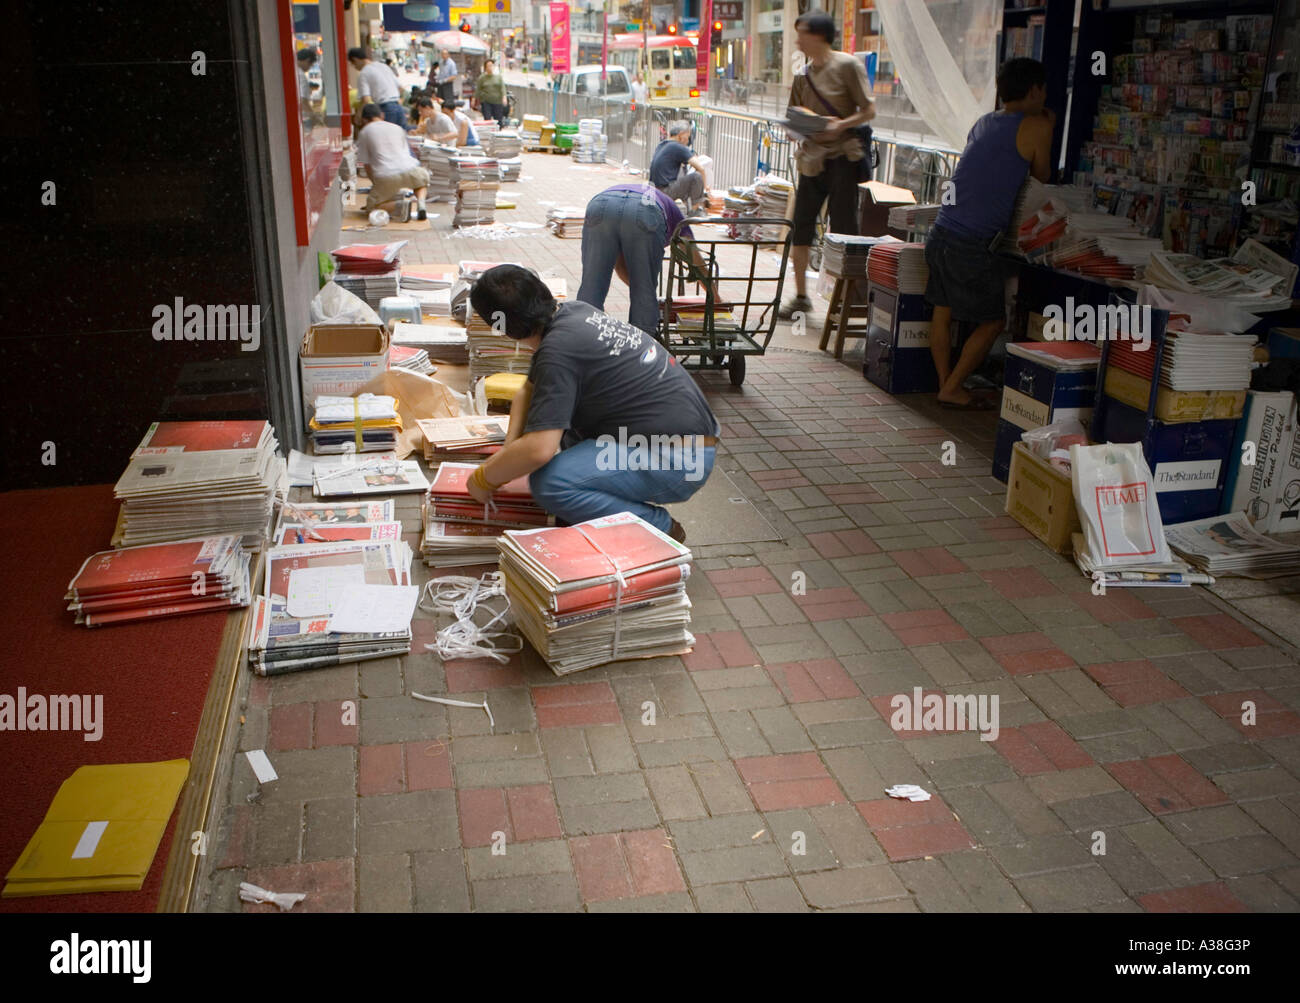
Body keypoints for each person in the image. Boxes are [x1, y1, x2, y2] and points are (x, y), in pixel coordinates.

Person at [465, 265, 720, 543]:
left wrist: (484, 478)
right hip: (681, 441)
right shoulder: (575, 313)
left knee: (551, 484)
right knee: (563, 430)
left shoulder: (557, 352)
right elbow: (528, 391)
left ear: (501, 326)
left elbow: (539, 450)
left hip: (678, 461)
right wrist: (509, 451)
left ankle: (658, 527)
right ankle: (592, 508)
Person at [925, 57, 1055, 409]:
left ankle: (945, 384)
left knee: (943, 309)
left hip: (942, 232)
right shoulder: (1036, 126)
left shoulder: (984, 122)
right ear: (1033, 90)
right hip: (973, 242)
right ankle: (952, 387)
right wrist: (1050, 127)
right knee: (994, 319)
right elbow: (1042, 176)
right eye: (1043, 89)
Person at [777, 10, 876, 320]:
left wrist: (840, 125)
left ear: (819, 35)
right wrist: (796, 128)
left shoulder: (847, 66)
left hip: (843, 159)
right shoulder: (802, 75)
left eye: (802, 32)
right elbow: (793, 115)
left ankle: (851, 298)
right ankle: (802, 297)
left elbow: (869, 109)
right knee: (801, 227)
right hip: (811, 160)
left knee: (845, 229)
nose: (797, 38)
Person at [578, 182, 718, 338]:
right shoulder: (673, 211)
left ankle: (585, 338)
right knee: (644, 289)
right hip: (645, 210)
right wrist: (714, 296)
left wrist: (644, 292)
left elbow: (619, 266)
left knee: (592, 283)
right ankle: (642, 346)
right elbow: (695, 260)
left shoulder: (655, 198)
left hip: (602, 203)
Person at [355, 104, 430, 221]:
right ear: (382, 115)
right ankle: (421, 203)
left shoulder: (365, 132)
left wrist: (376, 185)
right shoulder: (397, 128)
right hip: (411, 169)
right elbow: (407, 153)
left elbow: (367, 165)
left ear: (364, 119)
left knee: (372, 207)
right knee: (421, 182)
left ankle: (401, 205)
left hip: (387, 174)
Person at [649, 120, 709, 210]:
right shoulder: (678, 147)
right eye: (687, 137)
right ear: (681, 135)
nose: (688, 141)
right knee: (697, 177)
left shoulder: (662, 145)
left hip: (653, 190)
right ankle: (695, 210)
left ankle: (687, 204)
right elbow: (700, 168)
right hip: (665, 191)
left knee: (683, 171)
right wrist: (705, 190)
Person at [348, 46, 408, 129]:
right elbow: (401, 88)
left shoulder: (364, 73)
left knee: (386, 140)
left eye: (353, 64)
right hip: (399, 109)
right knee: (400, 139)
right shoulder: (383, 66)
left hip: (385, 110)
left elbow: (366, 100)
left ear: (355, 59)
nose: (355, 67)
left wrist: (359, 115)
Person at [476, 59, 508, 126]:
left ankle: (499, 133)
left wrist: (504, 97)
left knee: (498, 120)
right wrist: (475, 99)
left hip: (497, 101)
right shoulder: (482, 78)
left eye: (491, 65)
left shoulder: (498, 77)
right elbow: (478, 89)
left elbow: (502, 87)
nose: (490, 67)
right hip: (486, 101)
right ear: (485, 68)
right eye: (488, 66)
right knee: (487, 119)